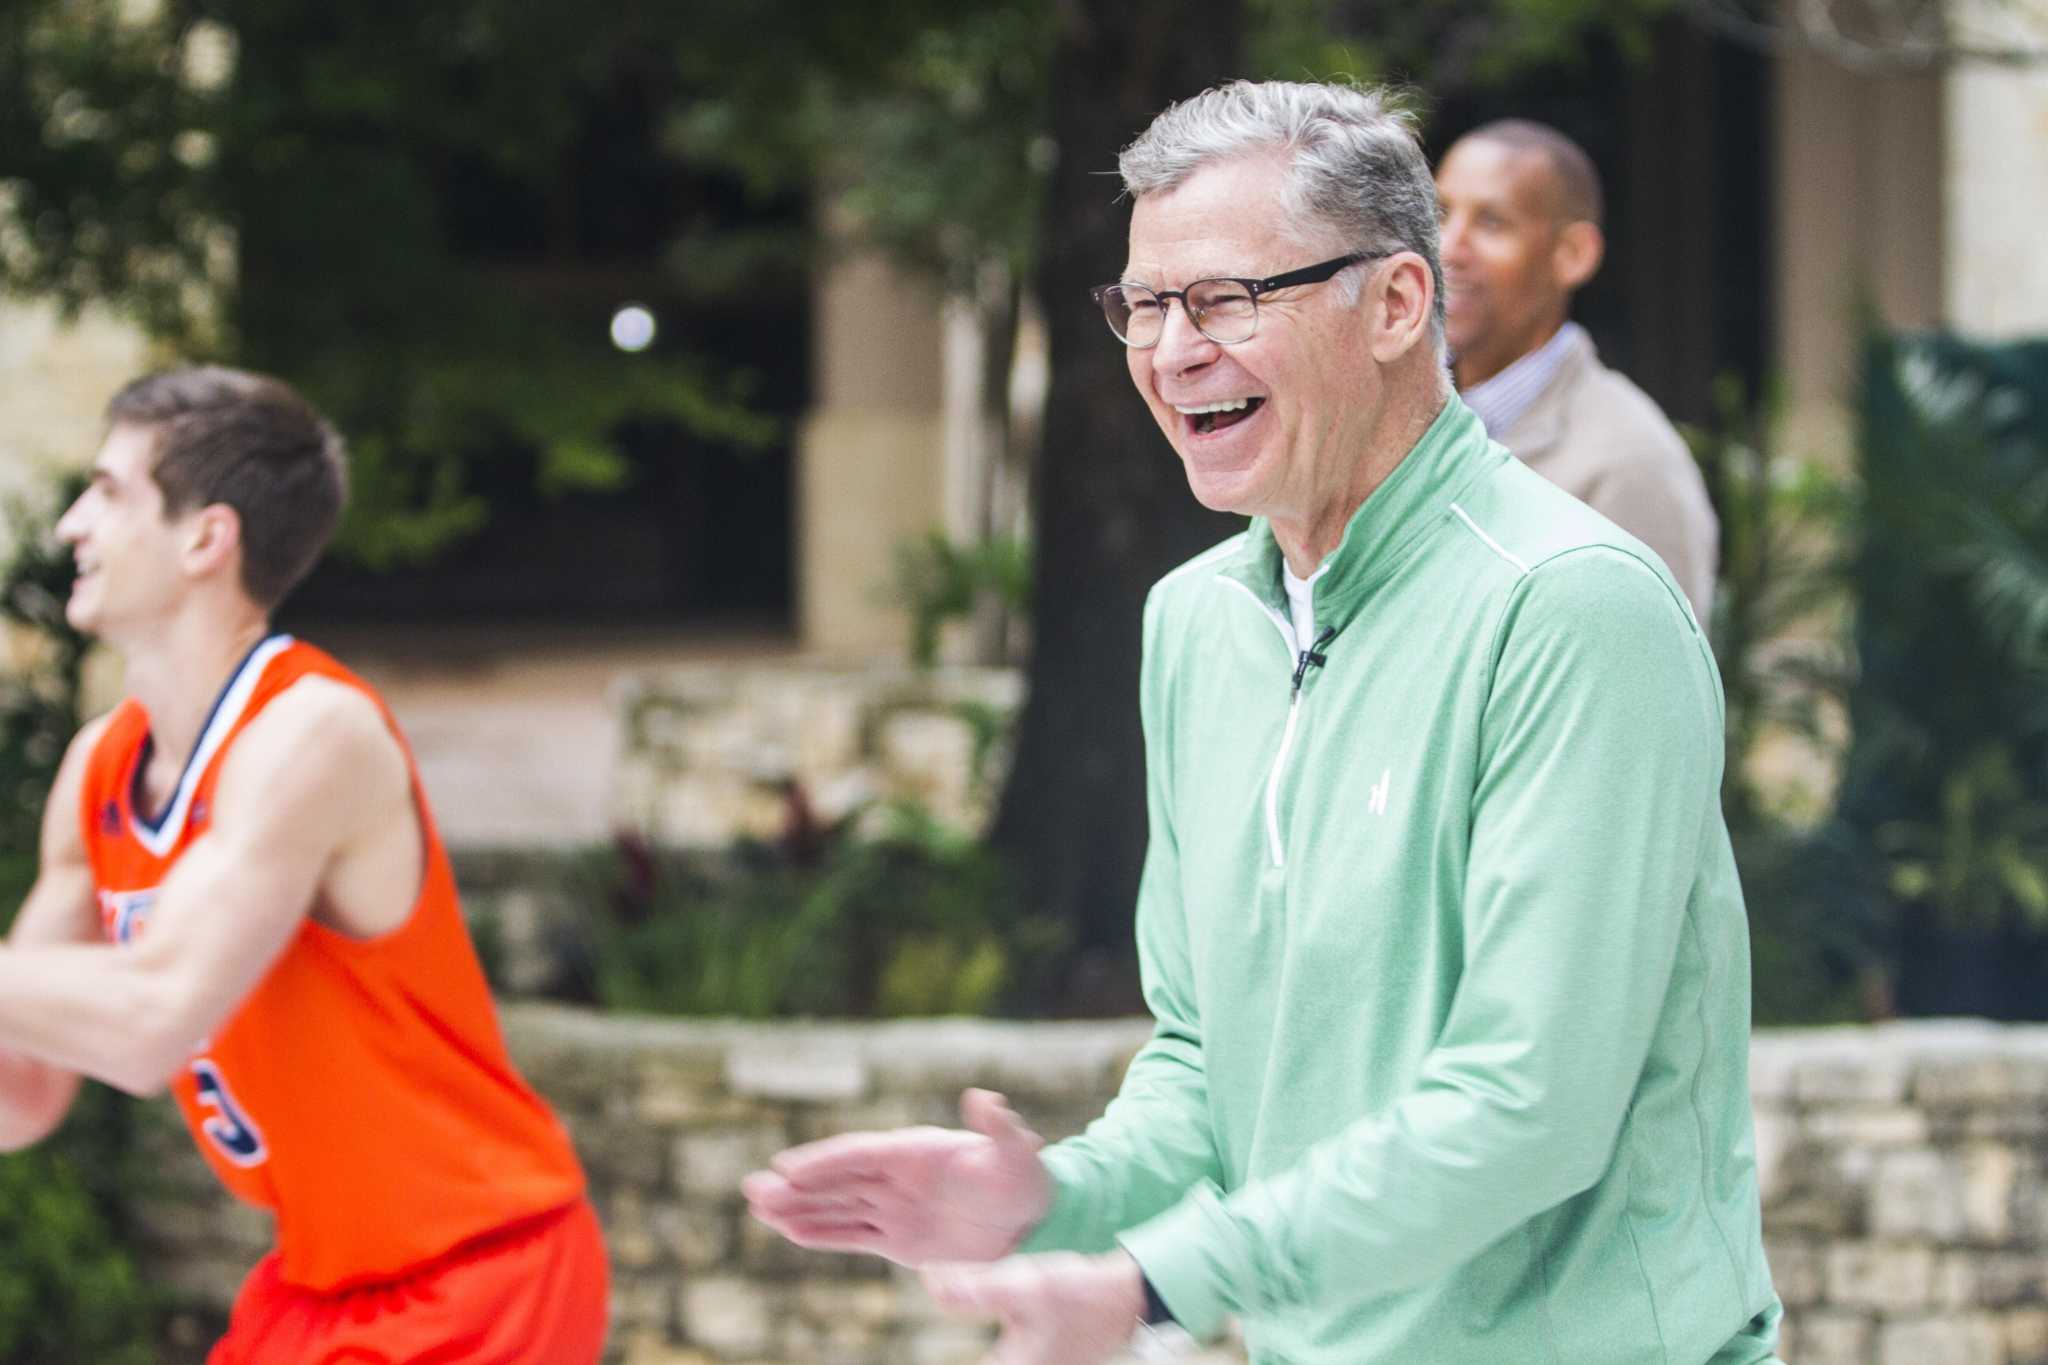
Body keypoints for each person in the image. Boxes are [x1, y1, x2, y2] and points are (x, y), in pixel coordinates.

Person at [745, 80, 1780, 1365]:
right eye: (1144, 305)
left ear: (1398, 304)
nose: (1172, 350)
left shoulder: (1571, 608)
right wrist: (1056, 1200)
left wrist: (1147, 1281)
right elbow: (1205, 1062)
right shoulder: (1194, 625)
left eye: (1228, 299)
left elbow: (1529, 1105)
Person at [0, 368, 608, 1363]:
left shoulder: (310, 734)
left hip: (479, 1274)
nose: (72, 524)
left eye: (107, 493)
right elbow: (21, 1093)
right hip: (321, 1284)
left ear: (206, 538)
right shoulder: (96, 770)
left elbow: (154, 1019)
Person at [1436, 118, 1719, 624]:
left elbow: (1648, 687)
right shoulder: (1411, 428)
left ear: (1572, 255)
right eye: (1438, 214)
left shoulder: (1629, 463)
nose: (1448, 248)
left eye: (1491, 223)